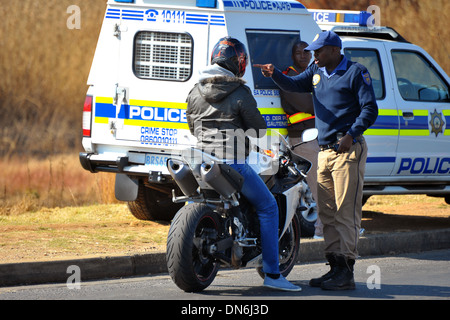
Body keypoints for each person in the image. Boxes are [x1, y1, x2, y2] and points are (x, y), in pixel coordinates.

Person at [254, 31, 378, 290]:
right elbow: (293, 84)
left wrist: (351, 134)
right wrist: (274, 73)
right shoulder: (315, 71)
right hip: (325, 152)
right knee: (327, 212)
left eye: (319, 51)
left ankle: (347, 271)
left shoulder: (356, 72)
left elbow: (370, 109)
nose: (314, 55)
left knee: (345, 212)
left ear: (334, 50)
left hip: (348, 150)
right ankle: (334, 268)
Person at [186, 36, 301, 292]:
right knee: (269, 206)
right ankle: (273, 273)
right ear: (238, 63)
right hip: (232, 162)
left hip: (202, 160)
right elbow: (259, 130)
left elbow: (193, 126)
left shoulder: (195, 90)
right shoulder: (239, 91)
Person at [279, 40, 323, 239]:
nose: (303, 56)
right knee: (318, 187)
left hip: (315, 137)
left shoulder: (312, 76)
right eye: (299, 53)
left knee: (325, 186)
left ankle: (330, 230)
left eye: (307, 52)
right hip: (302, 139)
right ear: (293, 56)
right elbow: (309, 105)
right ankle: (321, 232)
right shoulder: (289, 77)